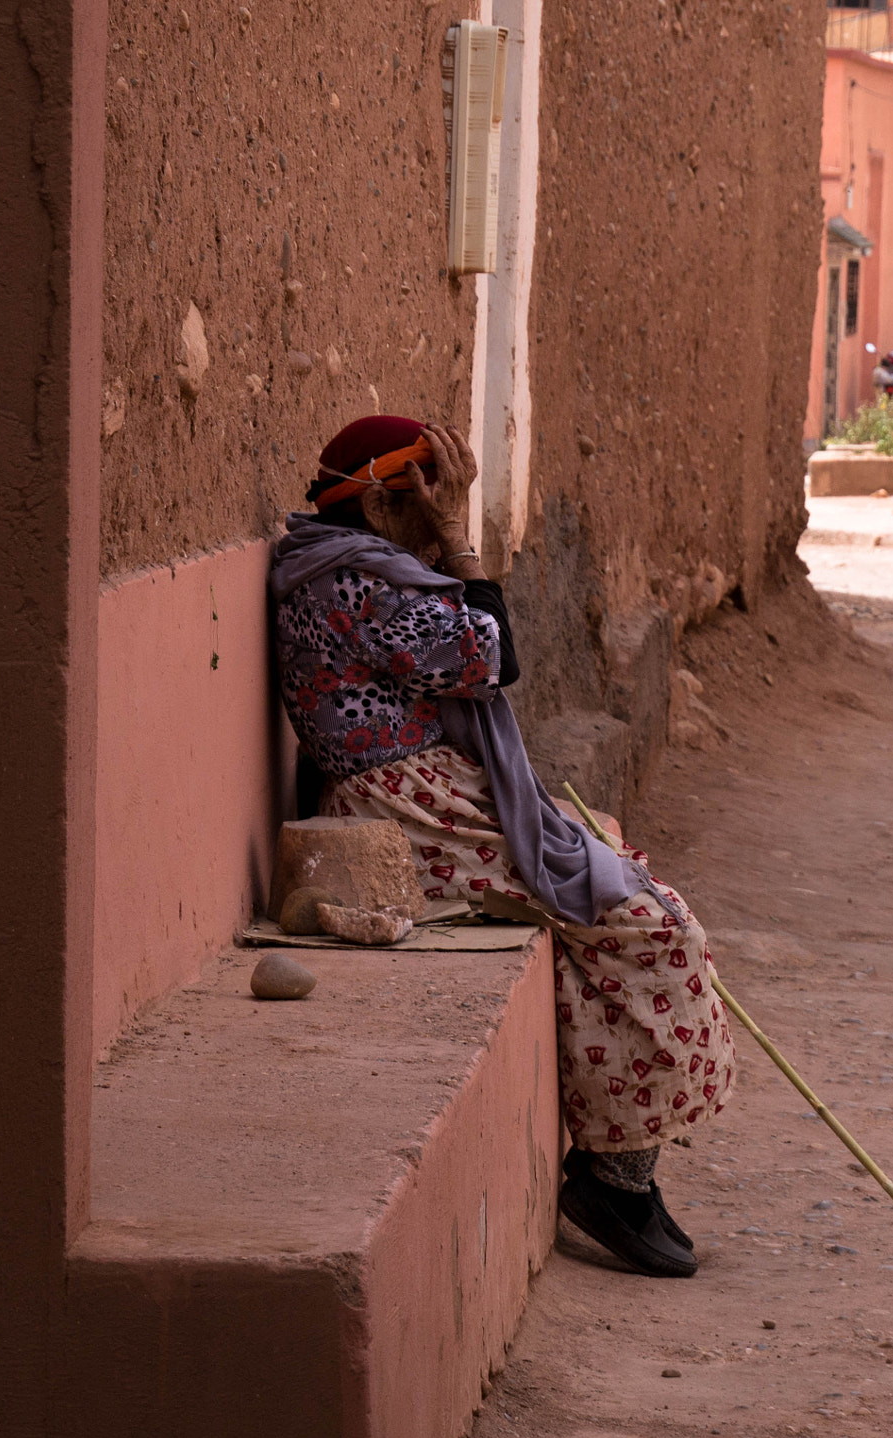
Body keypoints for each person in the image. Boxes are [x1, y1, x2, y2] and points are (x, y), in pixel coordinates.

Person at [269, 414, 732, 1279]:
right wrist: (461, 543)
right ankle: (613, 1178)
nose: (441, 510)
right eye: (427, 495)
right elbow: (490, 653)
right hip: (404, 804)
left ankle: (620, 1161)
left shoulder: (338, 566)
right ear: (374, 503)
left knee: (605, 871)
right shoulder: (355, 586)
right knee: (650, 926)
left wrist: (437, 536)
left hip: (423, 785)